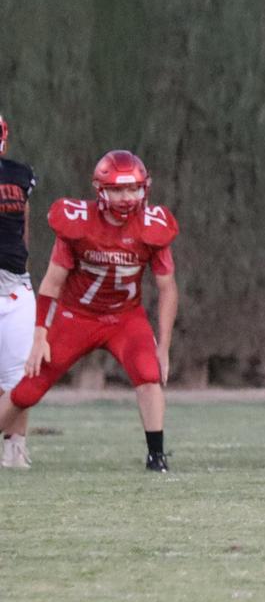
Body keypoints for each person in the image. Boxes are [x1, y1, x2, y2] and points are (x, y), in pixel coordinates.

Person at [0, 152, 179, 472]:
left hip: (125, 317)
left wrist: (163, 347)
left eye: (133, 189)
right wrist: (41, 334)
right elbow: (51, 285)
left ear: (145, 189)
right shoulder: (78, 224)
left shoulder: (154, 226)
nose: (126, 198)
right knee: (27, 391)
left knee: (148, 373)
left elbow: (167, 288)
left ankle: (156, 456)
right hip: (76, 316)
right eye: (117, 190)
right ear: (100, 190)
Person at [0, 111, 38, 467]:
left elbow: (23, 224)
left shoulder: (19, 173)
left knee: (20, 378)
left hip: (12, 282)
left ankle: (15, 449)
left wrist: (22, 265)